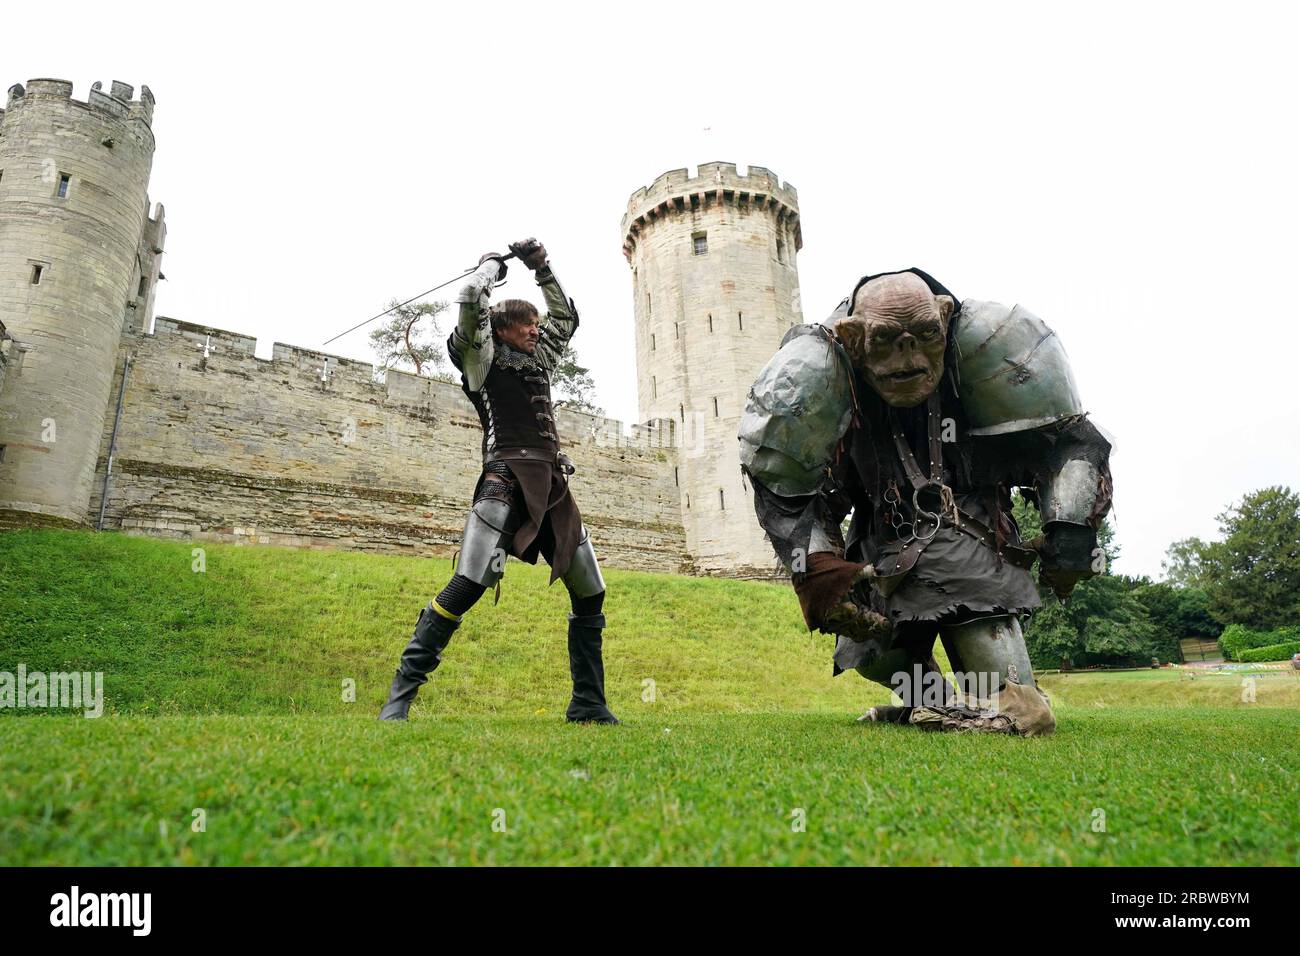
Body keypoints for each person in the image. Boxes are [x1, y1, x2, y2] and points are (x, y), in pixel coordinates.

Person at [740, 269, 1113, 736]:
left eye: (923, 337)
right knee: (876, 652)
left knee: (1020, 705)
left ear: (944, 317)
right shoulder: (815, 369)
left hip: (965, 526)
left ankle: (984, 705)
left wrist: (1070, 531)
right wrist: (820, 572)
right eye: (888, 342)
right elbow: (781, 480)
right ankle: (936, 707)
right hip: (878, 538)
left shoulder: (992, 340)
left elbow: (1068, 441)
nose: (909, 359)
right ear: (854, 337)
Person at [379, 238, 618, 724]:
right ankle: (398, 700)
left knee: (591, 590)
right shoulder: (479, 358)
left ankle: (588, 704)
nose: (537, 329)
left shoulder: (539, 358)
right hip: (504, 478)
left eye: (536, 323)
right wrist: (490, 266)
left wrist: (542, 268)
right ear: (503, 328)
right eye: (527, 324)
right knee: (467, 584)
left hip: (552, 481)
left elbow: (566, 321)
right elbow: (470, 299)